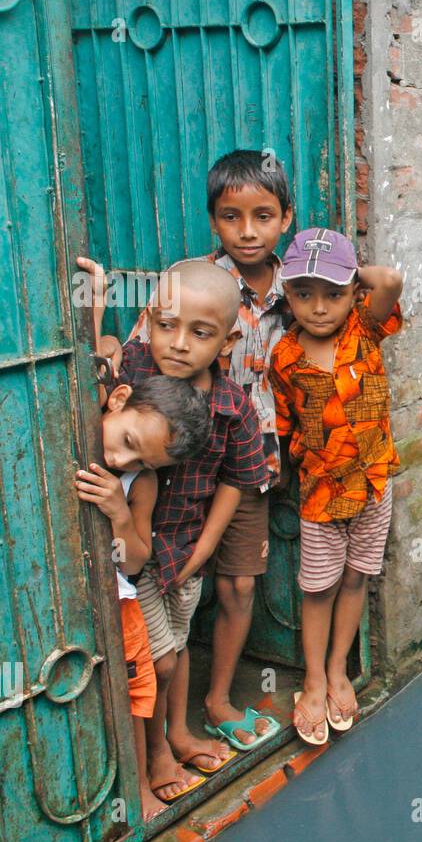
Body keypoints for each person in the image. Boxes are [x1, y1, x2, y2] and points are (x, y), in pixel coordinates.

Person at [125, 149, 293, 750]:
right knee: (161, 590)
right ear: (213, 220)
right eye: (230, 216)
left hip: (245, 463)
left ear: (286, 218)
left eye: (262, 216)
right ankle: (161, 724)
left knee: (236, 586)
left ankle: (219, 699)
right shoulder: (190, 279)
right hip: (167, 465)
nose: (246, 231)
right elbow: (135, 355)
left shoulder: (296, 288)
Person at [97, 256, 272, 800]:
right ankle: (153, 756)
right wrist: (94, 316)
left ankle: (177, 733)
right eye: (166, 325)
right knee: (158, 660)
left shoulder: (232, 406)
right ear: (148, 319)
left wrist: (203, 552)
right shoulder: (128, 374)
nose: (177, 343)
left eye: (199, 333)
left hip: (184, 549)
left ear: (226, 340)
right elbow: (84, 364)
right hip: (135, 556)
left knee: (178, 646)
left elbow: (237, 481)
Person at [268, 228, 403, 745]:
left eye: (333, 294)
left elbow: (389, 280)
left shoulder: (364, 331)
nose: (319, 308)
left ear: (353, 294)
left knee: (354, 580)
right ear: (287, 295)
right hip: (321, 496)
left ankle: (341, 671)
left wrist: (348, 273)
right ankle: (314, 680)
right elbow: (282, 429)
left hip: (372, 486)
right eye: (303, 294)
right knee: (318, 587)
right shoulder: (283, 358)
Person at [75, 374, 211, 820]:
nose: (120, 457)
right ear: (117, 400)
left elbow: (134, 561)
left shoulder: (139, 484)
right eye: (126, 439)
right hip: (70, 598)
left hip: (119, 597)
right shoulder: (73, 431)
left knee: (138, 686)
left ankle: (134, 785)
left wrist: (118, 512)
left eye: (140, 459)